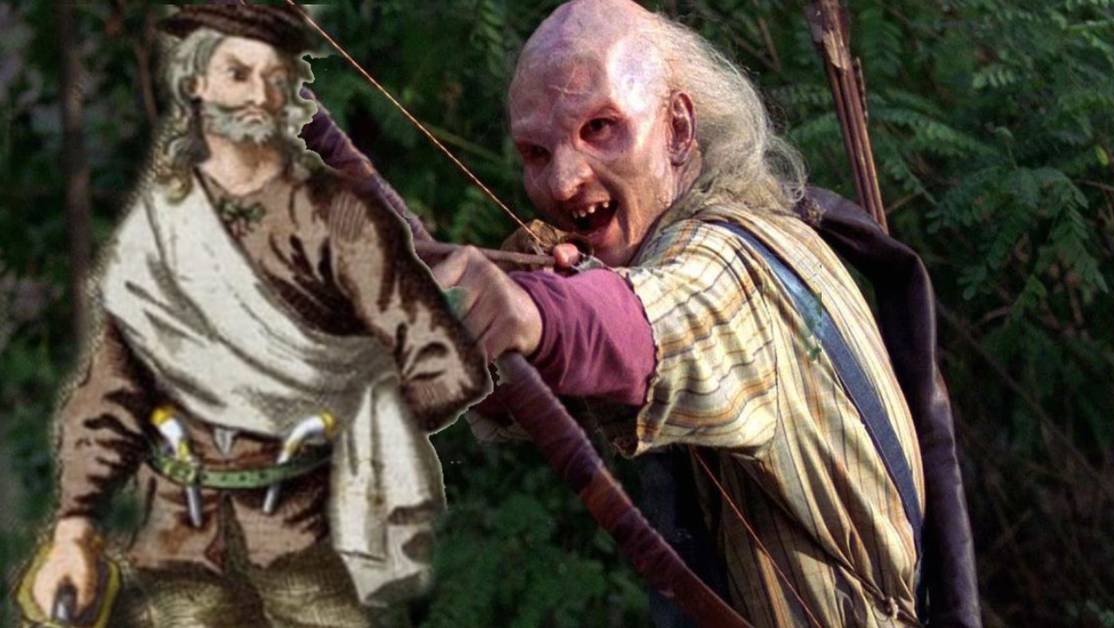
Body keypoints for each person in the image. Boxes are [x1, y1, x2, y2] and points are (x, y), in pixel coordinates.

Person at [434, 0, 945, 625]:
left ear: (678, 129)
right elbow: (538, 384)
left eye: (600, 128)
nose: (562, 182)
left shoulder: (733, 264)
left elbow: (658, 325)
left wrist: (532, 312)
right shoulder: (732, 238)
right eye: (537, 152)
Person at [27, 5, 487, 627]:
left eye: (273, 78)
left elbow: (443, 364)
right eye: (237, 73)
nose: (257, 96)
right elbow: (111, 392)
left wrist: (353, 424)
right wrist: (75, 525)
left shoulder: (339, 219)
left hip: (312, 552)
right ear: (196, 82)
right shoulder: (158, 231)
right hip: (179, 552)